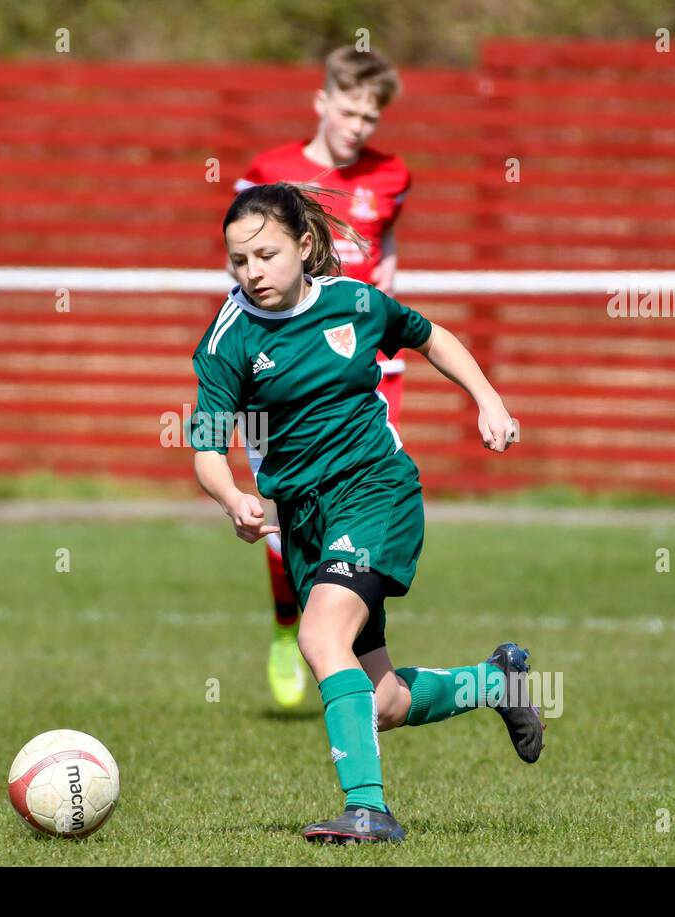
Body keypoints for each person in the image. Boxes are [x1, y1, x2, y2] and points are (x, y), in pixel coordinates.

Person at [190, 182, 545, 843]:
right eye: (238, 260)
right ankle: (495, 683)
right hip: (303, 519)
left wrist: (488, 400)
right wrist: (232, 495)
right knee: (379, 702)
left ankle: (368, 811)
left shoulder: (356, 304)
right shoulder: (227, 340)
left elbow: (431, 336)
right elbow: (208, 446)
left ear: (302, 247)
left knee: (320, 638)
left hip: (375, 490)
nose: (251, 272)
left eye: (265, 255)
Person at [233, 46, 412, 708]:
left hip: (361, 374)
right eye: (349, 109)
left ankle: (347, 646)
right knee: (286, 518)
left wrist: (388, 276)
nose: (360, 125)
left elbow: (384, 246)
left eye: (371, 115)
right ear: (322, 102)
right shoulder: (271, 173)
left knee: (359, 503)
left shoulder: (392, 175)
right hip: (277, 376)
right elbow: (245, 260)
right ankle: (291, 630)